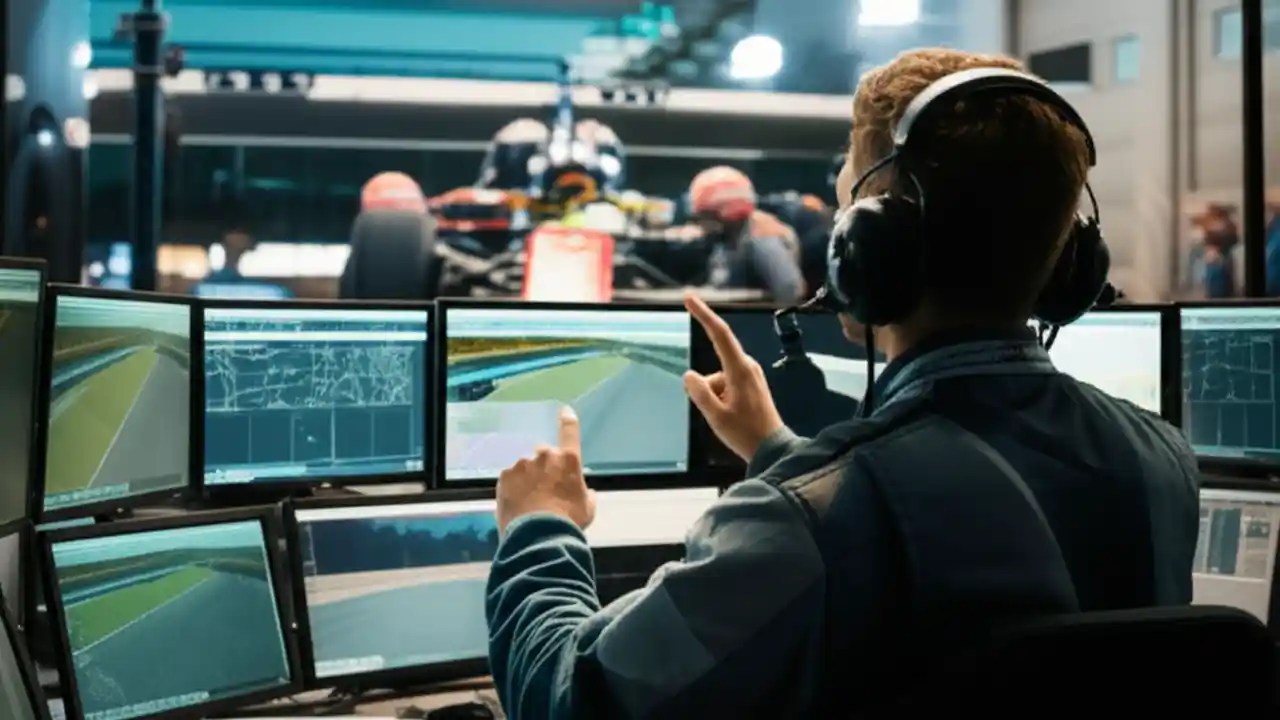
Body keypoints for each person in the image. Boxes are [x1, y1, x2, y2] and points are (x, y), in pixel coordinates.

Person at [485, 48, 1199, 718]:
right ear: (1071, 263)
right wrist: (778, 451)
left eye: (846, 215)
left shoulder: (799, 523)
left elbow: (568, 697)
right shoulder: (1160, 458)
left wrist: (539, 526)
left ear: (873, 250)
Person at [688, 166, 806, 304]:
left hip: (752, 314)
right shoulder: (730, 237)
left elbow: (790, 289)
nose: (704, 223)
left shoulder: (763, 238)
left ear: (726, 210)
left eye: (708, 215)